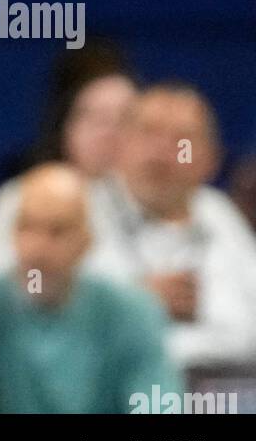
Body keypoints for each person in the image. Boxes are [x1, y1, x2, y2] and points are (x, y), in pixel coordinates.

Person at [0, 164, 182, 414]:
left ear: (86, 241)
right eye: (27, 227)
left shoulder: (134, 313)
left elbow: (158, 404)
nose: (37, 249)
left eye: (57, 231)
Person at [86, 83, 256, 369]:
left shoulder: (220, 214)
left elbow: (248, 329)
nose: (161, 151)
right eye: (148, 132)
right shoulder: (73, 211)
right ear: (119, 145)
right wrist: (132, 305)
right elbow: (37, 324)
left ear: (211, 160)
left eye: (182, 141)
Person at [0, 57, 138, 273]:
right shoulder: (20, 197)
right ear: (67, 127)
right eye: (95, 118)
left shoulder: (169, 204)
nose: (109, 133)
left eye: (124, 120)